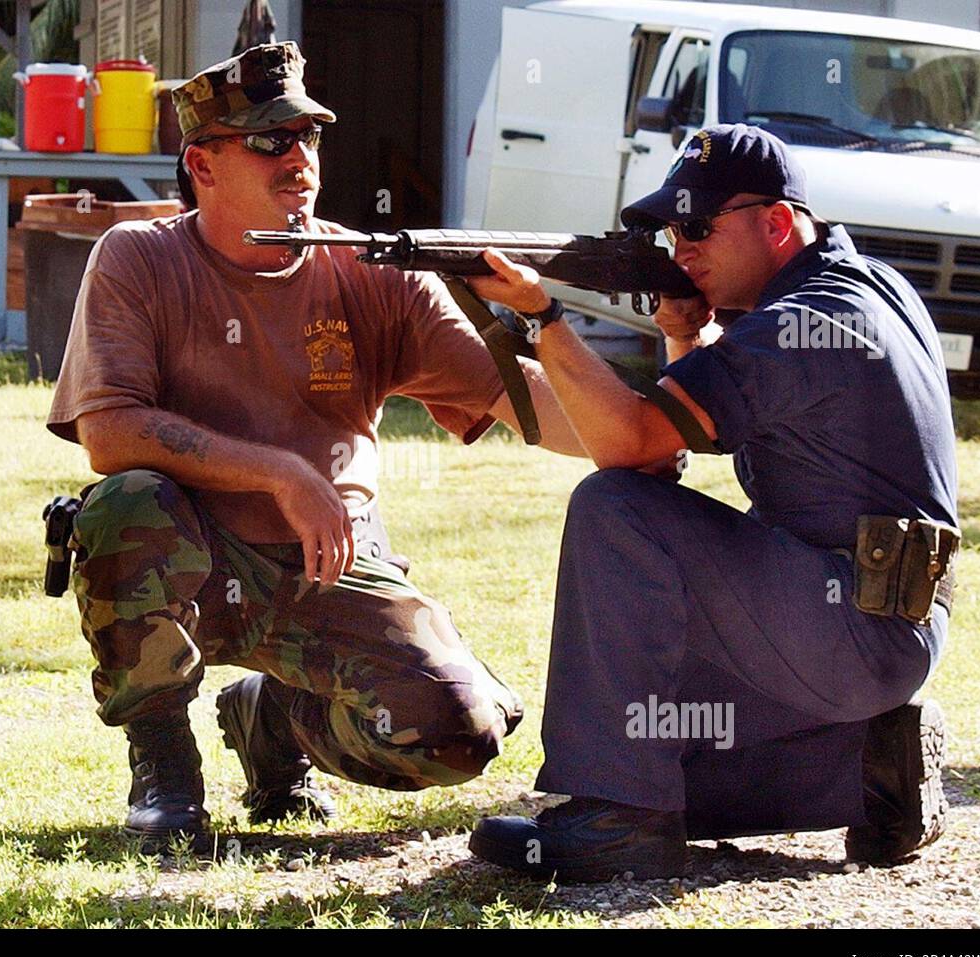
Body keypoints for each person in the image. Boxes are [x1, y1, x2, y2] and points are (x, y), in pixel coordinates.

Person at [45, 41, 585, 844]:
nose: (298, 157)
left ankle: (274, 723)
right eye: (270, 140)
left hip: (331, 562)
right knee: (124, 505)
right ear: (202, 164)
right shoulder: (138, 257)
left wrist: (632, 399)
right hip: (193, 555)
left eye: (309, 137)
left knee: (458, 733)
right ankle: (163, 762)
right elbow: (109, 430)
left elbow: (532, 408)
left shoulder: (374, 273)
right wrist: (281, 474)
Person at [465, 125, 959, 882]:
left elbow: (632, 451)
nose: (680, 248)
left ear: (777, 222)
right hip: (870, 624)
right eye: (670, 229)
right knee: (659, 743)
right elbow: (670, 451)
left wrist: (545, 318)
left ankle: (619, 820)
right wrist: (680, 336)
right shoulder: (864, 286)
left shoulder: (805, 322)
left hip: (847, 626)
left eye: (697, 227)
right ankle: (870, 770)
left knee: (612, 509)